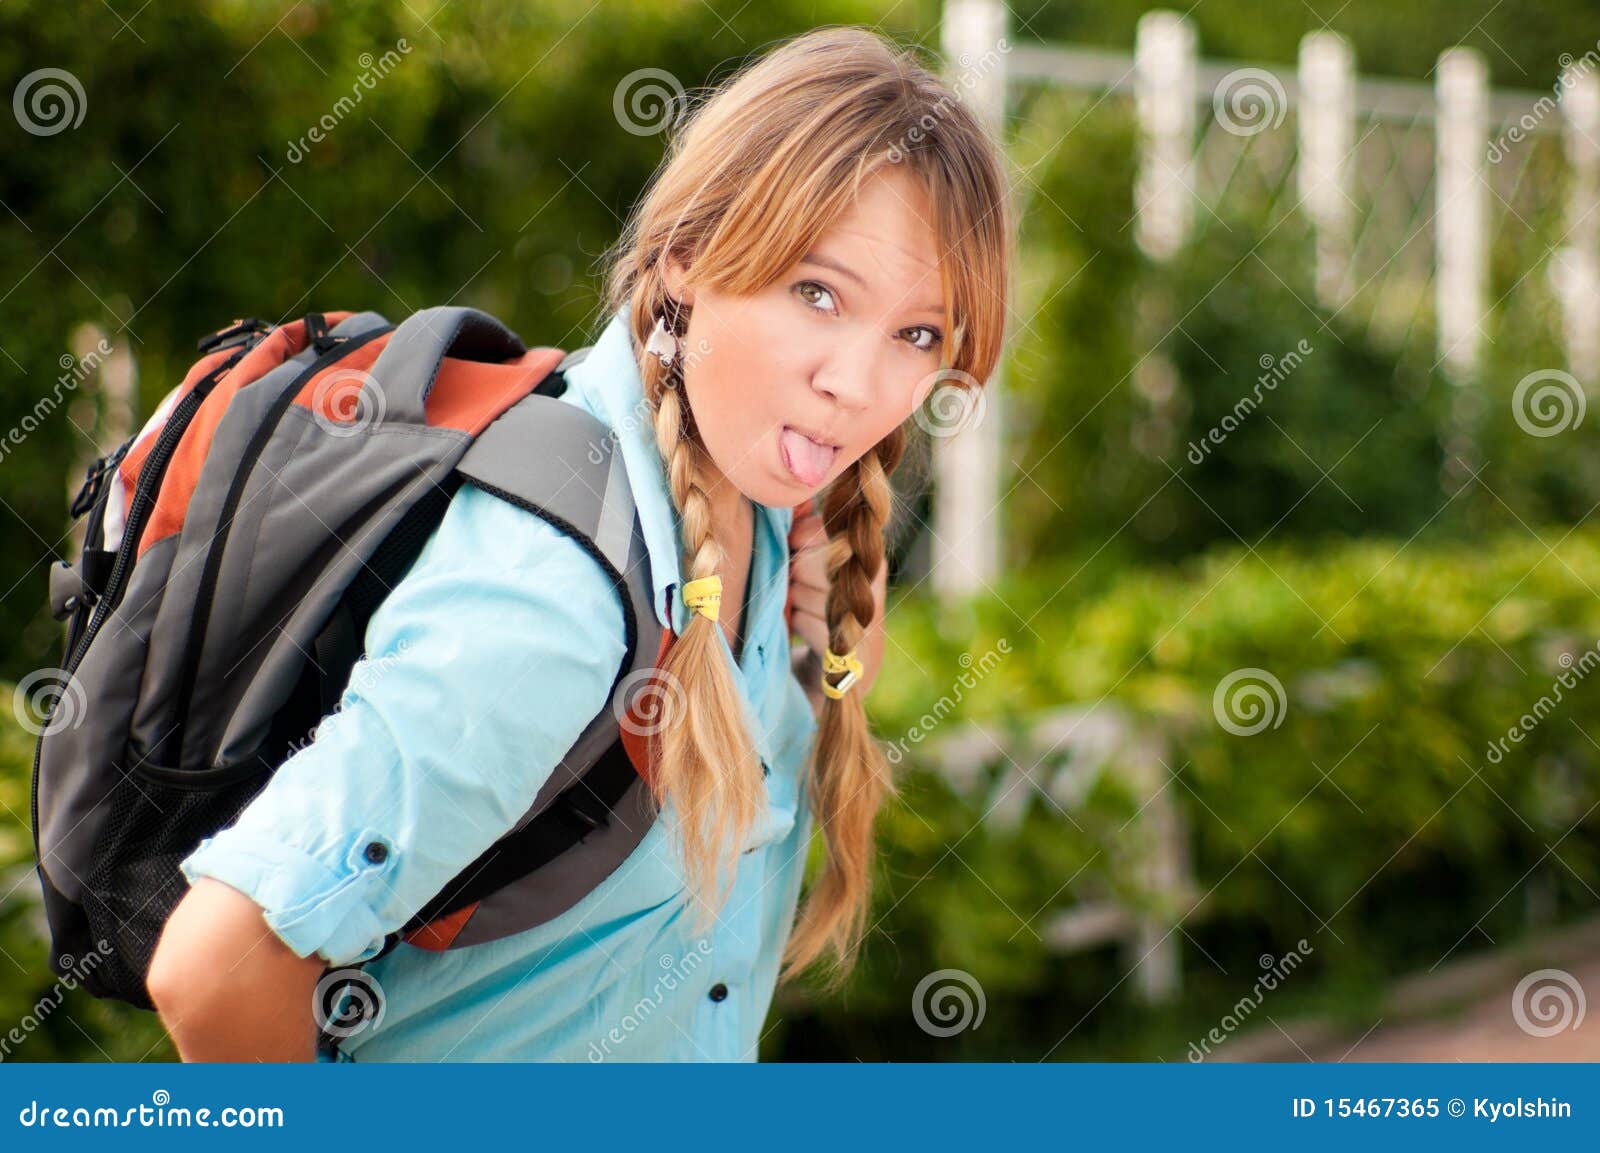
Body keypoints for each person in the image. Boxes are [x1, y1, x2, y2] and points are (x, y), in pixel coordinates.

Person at [145, 23, 1013, 1061]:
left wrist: (836, 659)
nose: (859, 384)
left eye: (917, 334)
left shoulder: (763, 510)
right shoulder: (556, 590)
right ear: (685, 258)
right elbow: (214, 967)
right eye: (815, 293)